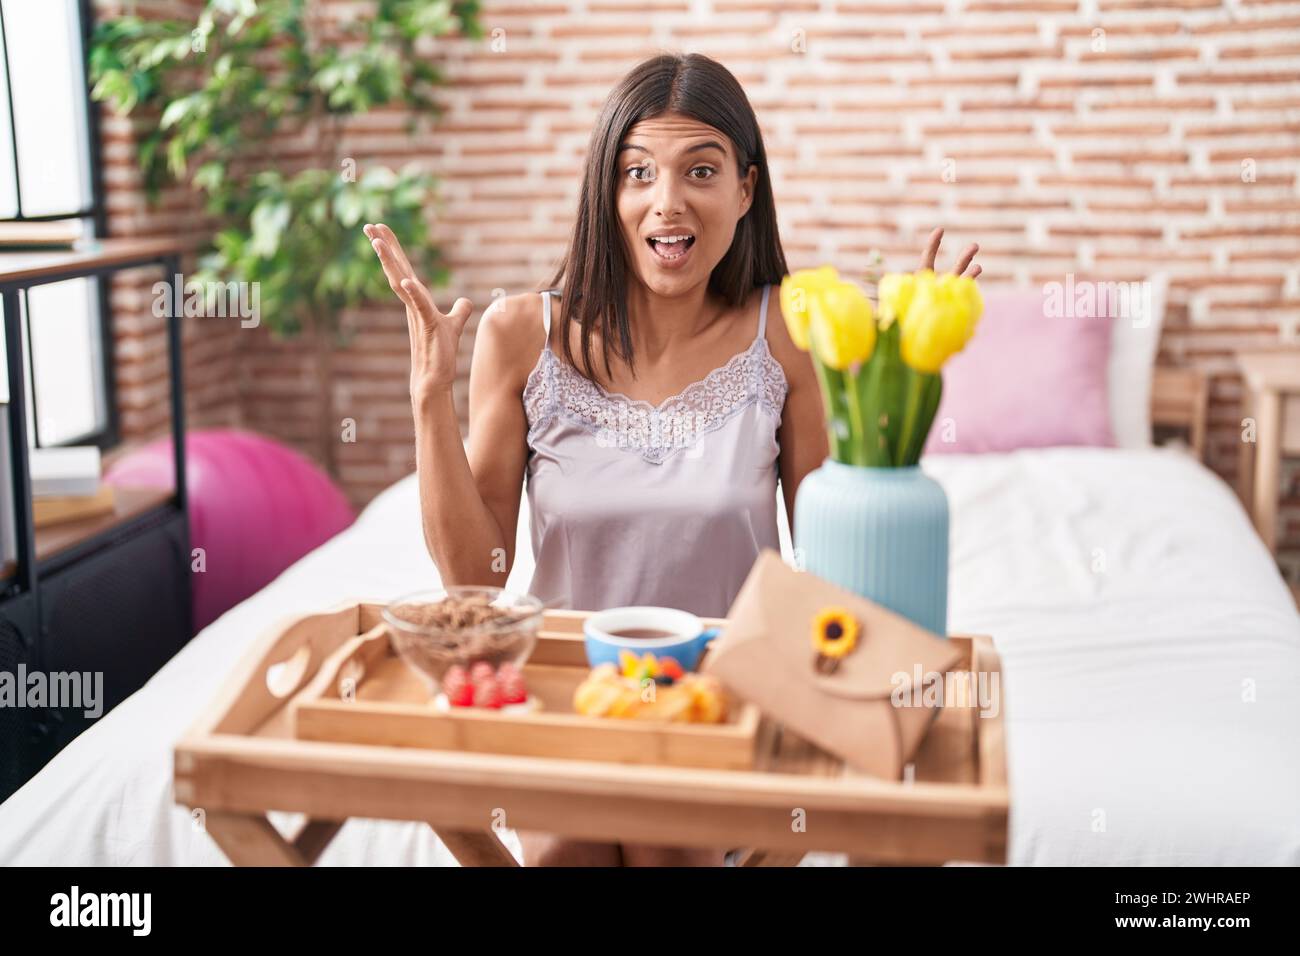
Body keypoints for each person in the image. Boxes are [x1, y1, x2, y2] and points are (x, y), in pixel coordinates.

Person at [364, 52, 981, 866]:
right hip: (569, 705)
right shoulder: (519, 334)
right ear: (606, 192)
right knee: (571, 850)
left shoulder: (789, 333)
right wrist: (426, 394)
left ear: (745, 191)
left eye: (701, 170)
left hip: (722, 712)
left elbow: (832, 567)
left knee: (666, 844)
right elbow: (475, 576)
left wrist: (893, 374)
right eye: (638, 172)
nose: (668, 201)